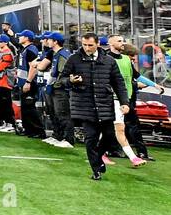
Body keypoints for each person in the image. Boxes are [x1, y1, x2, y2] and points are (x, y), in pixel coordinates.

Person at [59, 32, 130, 180]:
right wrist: (71, 81)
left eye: (90, 45)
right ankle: (96, 169)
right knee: (91, 138)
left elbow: (119, 83)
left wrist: (124, 103)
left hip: (105, 104)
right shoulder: (74, 59)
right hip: (84, 105)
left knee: (110, 136)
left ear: (97, 44)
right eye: (84, 45)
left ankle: (97, 158)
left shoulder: (109, 61)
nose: (87, 48)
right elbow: (61, 80)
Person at [15, 30, 46, 139]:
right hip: (23, 82)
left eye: (21, 36)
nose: (19, 38)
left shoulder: (31, 50)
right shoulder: (25, 49)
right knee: (25, 107)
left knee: (29, 107)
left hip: (29, 83)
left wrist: (28, 82)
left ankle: (38, 130)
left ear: (27, 38)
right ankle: (29, 129)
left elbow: (33, 67)